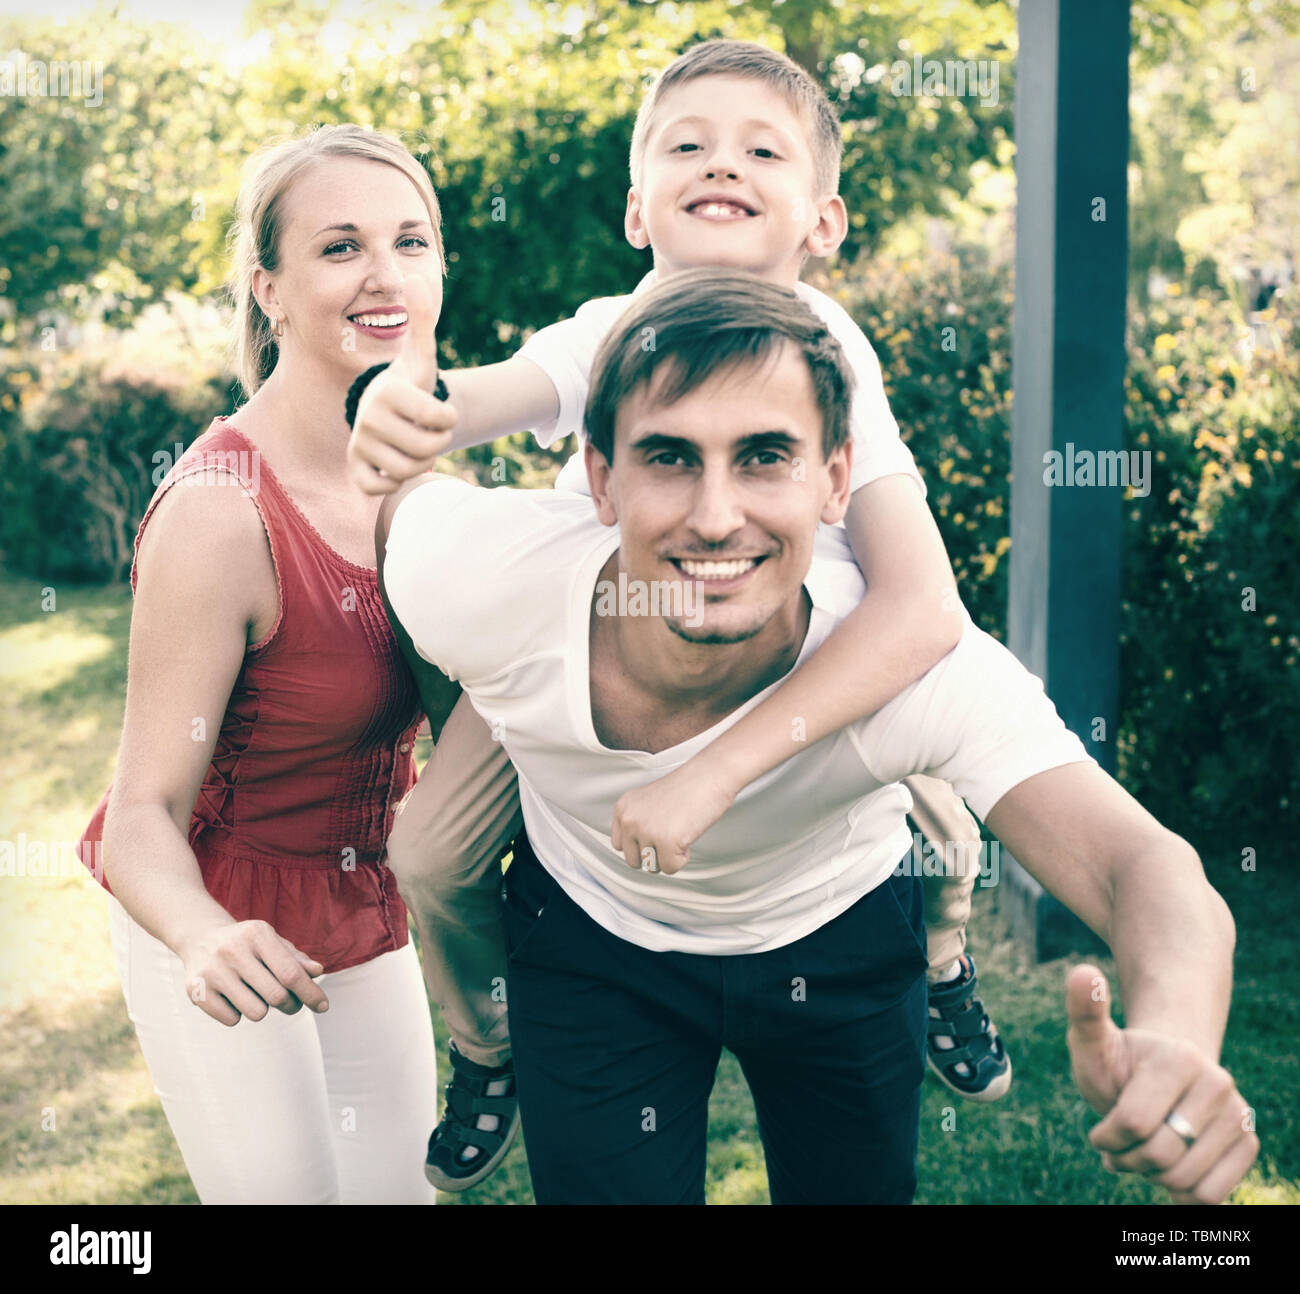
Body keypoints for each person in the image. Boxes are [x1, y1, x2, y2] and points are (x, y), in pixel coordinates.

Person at [378, 268, 1256, 1206]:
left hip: (835, 935)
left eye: (765, 457)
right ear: (599, 480)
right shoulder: (476, 580)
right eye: (670, 457)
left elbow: (1141, 866)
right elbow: (390, 514)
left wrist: (1174, 1032)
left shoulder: (911, 671)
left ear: (837, 480)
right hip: (594, 940)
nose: (717, 518)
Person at [349, 38, 1007, 1192]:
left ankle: (942, 964)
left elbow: (920, 609)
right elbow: (490, 395)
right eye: (687, 144)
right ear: (638, 207)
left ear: (823, 220)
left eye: (763, 148)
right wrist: (411, 406)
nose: (723, 163)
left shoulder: (825, 344)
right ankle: (488, 1043)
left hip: (787, 659)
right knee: (431, 850)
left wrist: (717, 773)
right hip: (582, 660)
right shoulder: (615, 323)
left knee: (941, 822)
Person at [76, 124, 451, 1205]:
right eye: (340, 247)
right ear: (269, 289)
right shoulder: (219, 513)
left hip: (357, 898)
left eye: (410, 241)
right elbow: (140, 808)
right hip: (215, 905)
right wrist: (201, 937)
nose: (384, 276)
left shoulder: (425, 467)